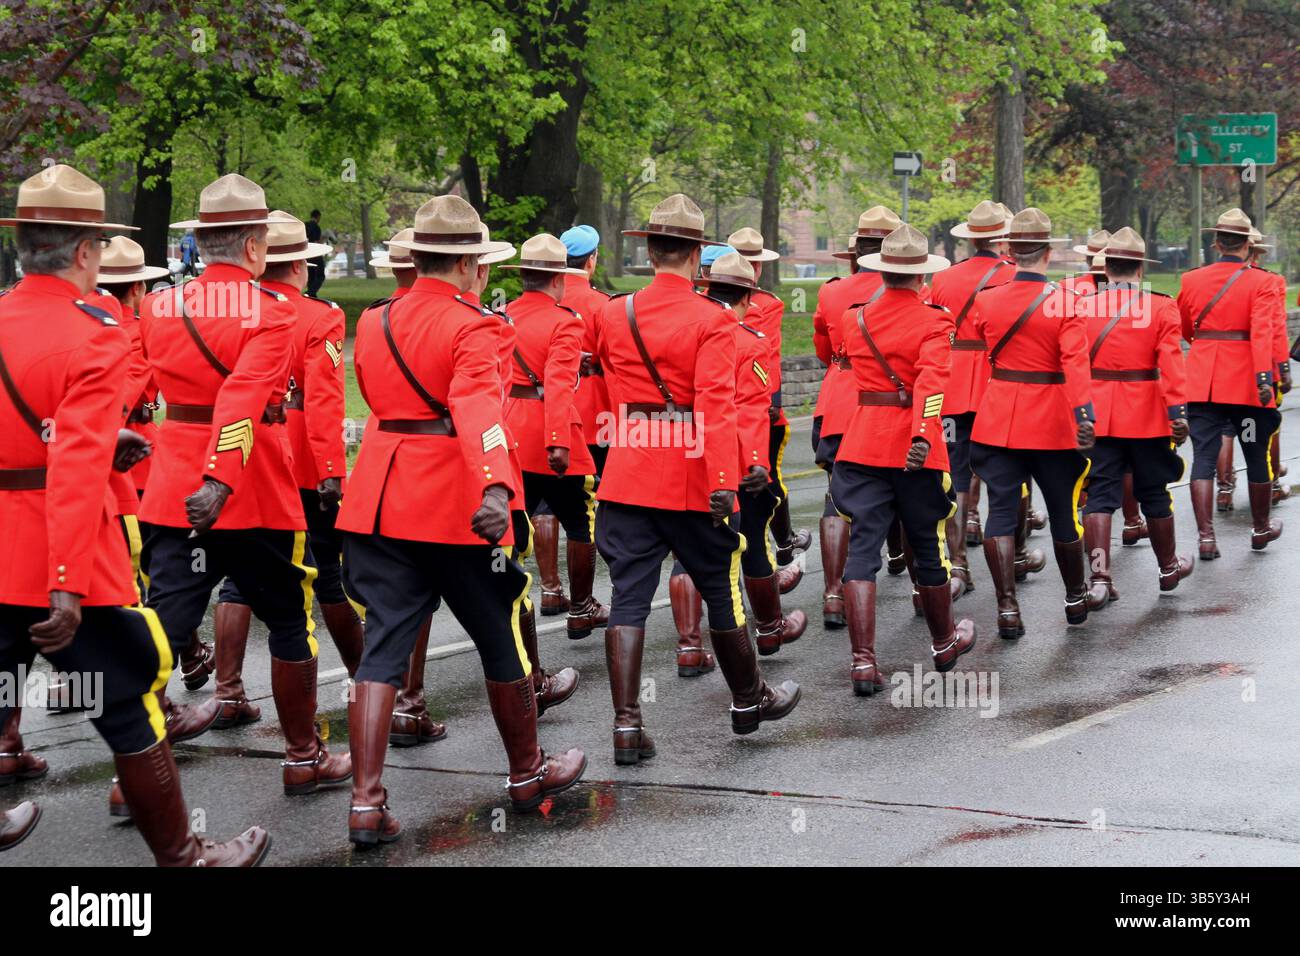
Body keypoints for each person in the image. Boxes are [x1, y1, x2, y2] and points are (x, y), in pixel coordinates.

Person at [0, 164, 268, 864]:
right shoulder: (93, 333)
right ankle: (183, 854)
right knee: (127, 704)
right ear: (87, 251)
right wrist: (64, 581)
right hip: (63, 557)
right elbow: (74, 466)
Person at [338, 196, 585, 846]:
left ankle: (366, 803)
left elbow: (375, 395)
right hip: (455, 501)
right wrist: (499, 486)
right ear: (472, 265)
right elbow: (478, 408)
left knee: (385, 643)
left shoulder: (375, 320)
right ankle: (528, 775)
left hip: (383, 496)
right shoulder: (476, 325)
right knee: (498, 633)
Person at [139, 175, 351, 796]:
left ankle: (134, 776)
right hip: (252, 486)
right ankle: (301, 756)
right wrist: (222, 477)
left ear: (202, 241)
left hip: (172, 484)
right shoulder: (276, 312)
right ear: (257, 246)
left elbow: (135, 387)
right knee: (288, 619)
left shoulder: (155, 306)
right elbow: (242, 397)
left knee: (165, 624)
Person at [596, 193, 800, 765]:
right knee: (718, 587)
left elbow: (612, 387)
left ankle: (627, 726)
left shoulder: (615, 311)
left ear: (651, 251)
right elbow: (715, 405)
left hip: (630, 467)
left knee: (629, 599)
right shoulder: (712, 319)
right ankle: (747, 700)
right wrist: (723, 483)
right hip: (689, 474)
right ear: (695, 258)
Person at [204, 212, 363, 730]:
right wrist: (330, 469)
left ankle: (227, 690)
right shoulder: (320, 317)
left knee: (236, 578)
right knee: (327, 576)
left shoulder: (236, 309)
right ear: (300, 264)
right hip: (292, 455)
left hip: (233, 451)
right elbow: (322, 399)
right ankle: (368, 680)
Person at [830, 224, 976, 692]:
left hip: (863, 442)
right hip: (915, 448)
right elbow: (932, 385)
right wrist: (920, 434)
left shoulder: (855, 318)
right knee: (926, 545)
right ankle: (943, 642)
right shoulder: (935, 320)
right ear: (920, 277)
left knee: (864, 549)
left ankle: (862, 661)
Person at [672, 250, 807, 661]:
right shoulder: (749, 341)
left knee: (686, 548)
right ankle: (769, 628)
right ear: (748, 298)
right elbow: (749, 407)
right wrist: (755, 462)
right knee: (750, 544)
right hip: (730, 456)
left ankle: (689, 646)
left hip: (683, 449)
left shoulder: (686, 330)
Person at [968, 208, 1096, 638]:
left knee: (1001, 512)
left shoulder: (987, 298)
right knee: (1062, 512)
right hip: (1052, 420)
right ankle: (1075, 597)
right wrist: (1085, 415)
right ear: (1048, 251)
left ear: (1010, 251)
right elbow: (1074, 363)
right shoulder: (1068, 301)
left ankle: (1006, 608)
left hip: (1000, 416)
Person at [500, 233, 609, 641]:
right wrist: (557, 441)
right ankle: (581, 609)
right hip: (551, 431)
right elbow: (559, 386)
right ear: (559, 280)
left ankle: (517, 601)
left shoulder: (503, 315)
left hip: (511, 430)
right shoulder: (565, 321)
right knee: (582, 522)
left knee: (514, 524)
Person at [1078, 227, 1192, 607]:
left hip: (1098, 415)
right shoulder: (1161, 306)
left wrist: (1080, 413)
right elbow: (1171, 364)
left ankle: (1098, 578)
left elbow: (1074, 364)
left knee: (1099, 496)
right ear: (1140, 269)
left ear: (1106, 268)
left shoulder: (1083, 307)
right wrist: (1177, 412)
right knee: (1154, 492)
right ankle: (1168, 567)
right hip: (1147, 415)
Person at [811, 206, 901, 629]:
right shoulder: (909, 295)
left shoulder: (831, 292)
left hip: (840, 399)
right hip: (889, 403)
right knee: (906, 493)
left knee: (836, 497)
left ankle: (832, 594)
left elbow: (823, 353)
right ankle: (927, 592)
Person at [1177, 207, 1284, 558]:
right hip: (1245, 388)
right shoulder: (1264, 282)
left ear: (1216, 242)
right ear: (1247, 245)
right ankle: (1260, 529)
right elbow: (1262, 334)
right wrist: (1264, 378)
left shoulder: (1191, 280)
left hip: (1204, 383)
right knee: (1255, 454)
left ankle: (1206, 539)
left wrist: (1209, 346)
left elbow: (1184, 328)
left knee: (1203, 459)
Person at [931, 201, 1016, 601]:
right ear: (1000, 238)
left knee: (955, 471)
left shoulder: (943, 278)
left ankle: (959, 559)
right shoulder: (1013, 275)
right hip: (995, 376)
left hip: (951, 377)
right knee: (1002, 467)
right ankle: (1009, 557)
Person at [726, 227, 811, 578]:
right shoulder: (767, 304)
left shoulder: (704, 298)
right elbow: (769, 354)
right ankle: (784, 542)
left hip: (709, 407)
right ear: (757, 268)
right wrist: (772, 401)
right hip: (754, 403)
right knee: (768, 476)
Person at [305, 209, 327, 297]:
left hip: (306, 252)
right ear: (318, 217)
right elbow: (317, 241)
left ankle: (311, 293)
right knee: (320, 275)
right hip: (315, 252)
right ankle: (311, 292)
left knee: (311, 273)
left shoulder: (305, 225)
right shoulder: (317, 227)